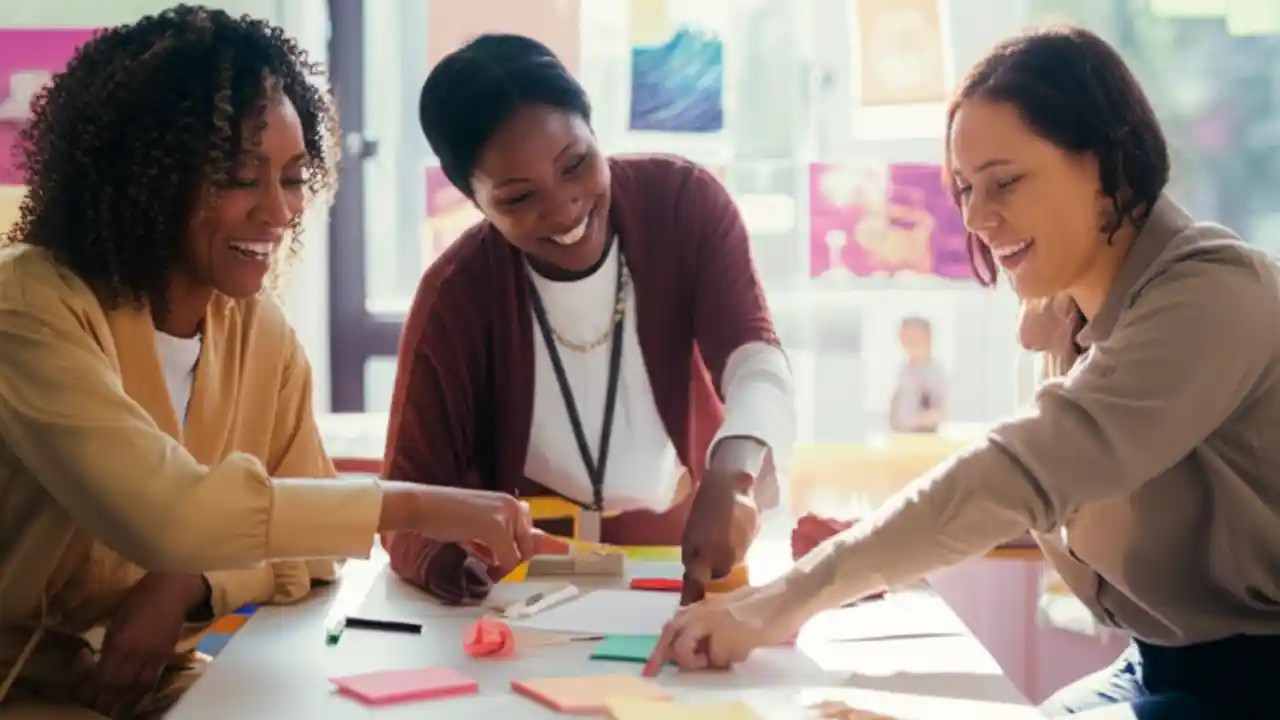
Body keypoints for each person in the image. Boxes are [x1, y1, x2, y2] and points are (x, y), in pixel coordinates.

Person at [650, 25, 1279, 719]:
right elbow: (1055, 500)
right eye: (965, 188)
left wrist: (791, 594)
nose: (976, 217)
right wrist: (868, 554)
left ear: (1104, 162)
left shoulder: (1211, 298)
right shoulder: (1067, 317)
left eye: (1005, 182)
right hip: (1152, 665)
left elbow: (1020, 474)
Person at [0, 7, 534, 718]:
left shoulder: (260, 334)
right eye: (241, 177)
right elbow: (166, 513)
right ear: (146, 172)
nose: (280, 212)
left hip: (159, 687)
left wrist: (185, 584)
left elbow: (309, 554)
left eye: (292, 177)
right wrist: (415, 504)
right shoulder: (29, 305)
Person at [382, 34, 795, 607]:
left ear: (595, 132)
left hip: (685, 559)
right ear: (473, 201)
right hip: (530, 586)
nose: (565, 206)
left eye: (576, 164)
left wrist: (735, 471)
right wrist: (453, 566)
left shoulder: (683, 205)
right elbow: (402, 505)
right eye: (518, 198)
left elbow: (756, 360)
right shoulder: (456, 297)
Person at [887, 316, 947, 433]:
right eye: (905, 338)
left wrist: (916, 420)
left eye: (914, 338)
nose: (909, 343)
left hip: (926, 440)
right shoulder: (902, 372)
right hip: (900, 438)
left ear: (928, 338)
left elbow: (940, 414)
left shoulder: (936, 374)